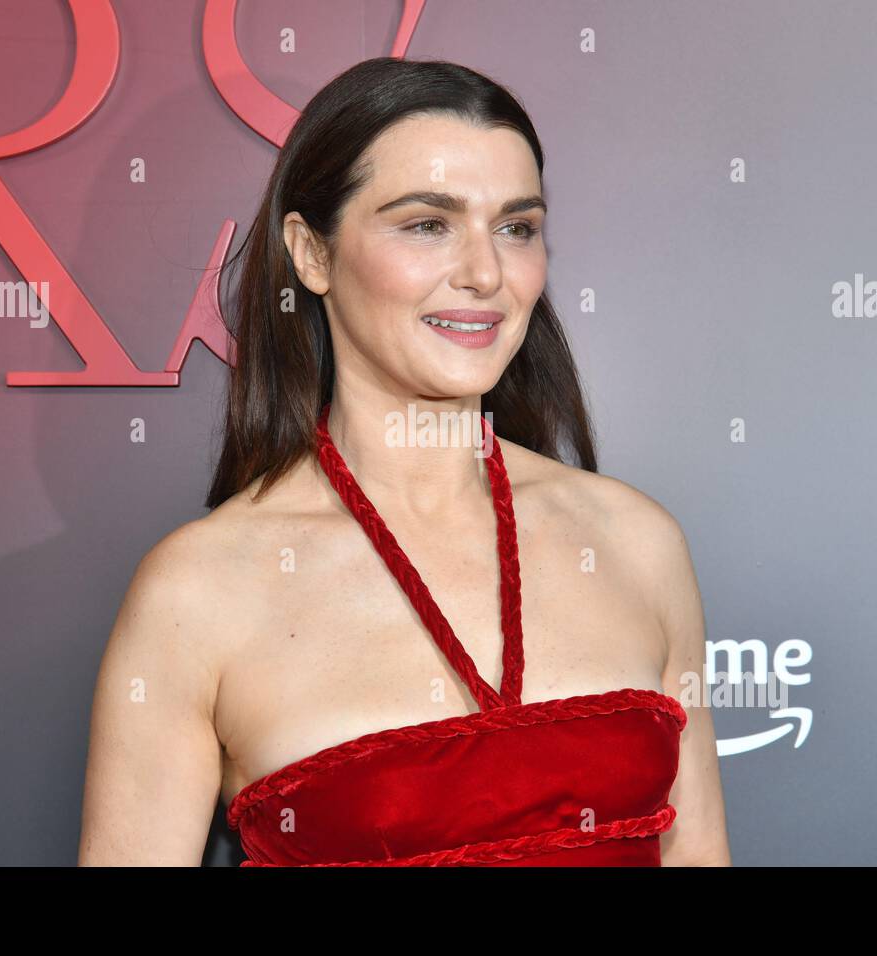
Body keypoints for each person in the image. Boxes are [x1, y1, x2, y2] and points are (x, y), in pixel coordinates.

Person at [78, 57, 730, 866]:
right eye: (427, 224)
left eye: (516, 227)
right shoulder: (198, 592)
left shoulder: (637, 542)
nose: (486, 273)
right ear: (309, 255)